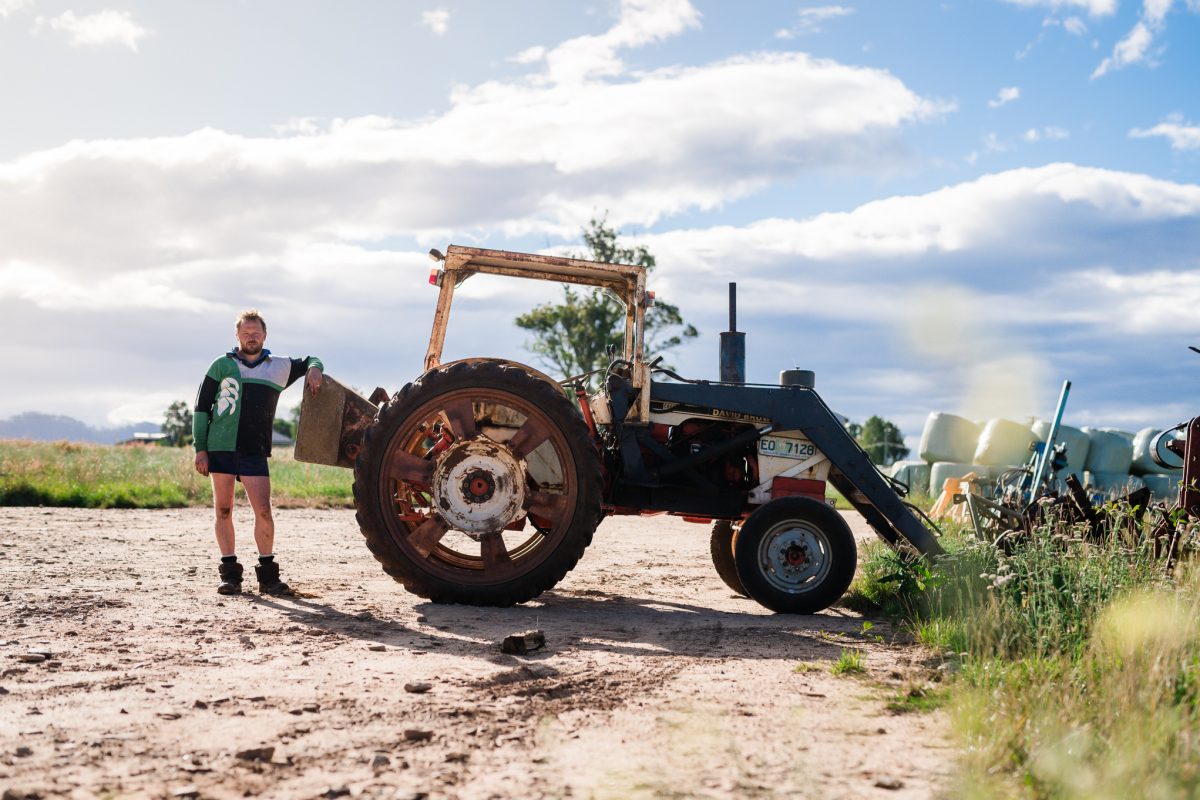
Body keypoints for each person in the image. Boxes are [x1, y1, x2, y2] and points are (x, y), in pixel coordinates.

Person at [192, 309, 323, 596]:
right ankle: (229, 575)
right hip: (221, 447)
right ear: (237, 335)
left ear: (264, 335)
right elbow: (201, 408)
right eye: (246, 332)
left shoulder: (278, 367)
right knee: (223, 510)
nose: (251, 337)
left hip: (254, 450)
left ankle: (268, 577)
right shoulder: (220, 366)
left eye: (256, 332)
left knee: (263, 510)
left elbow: (311, 359)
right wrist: (200, 449)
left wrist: (314, 369)